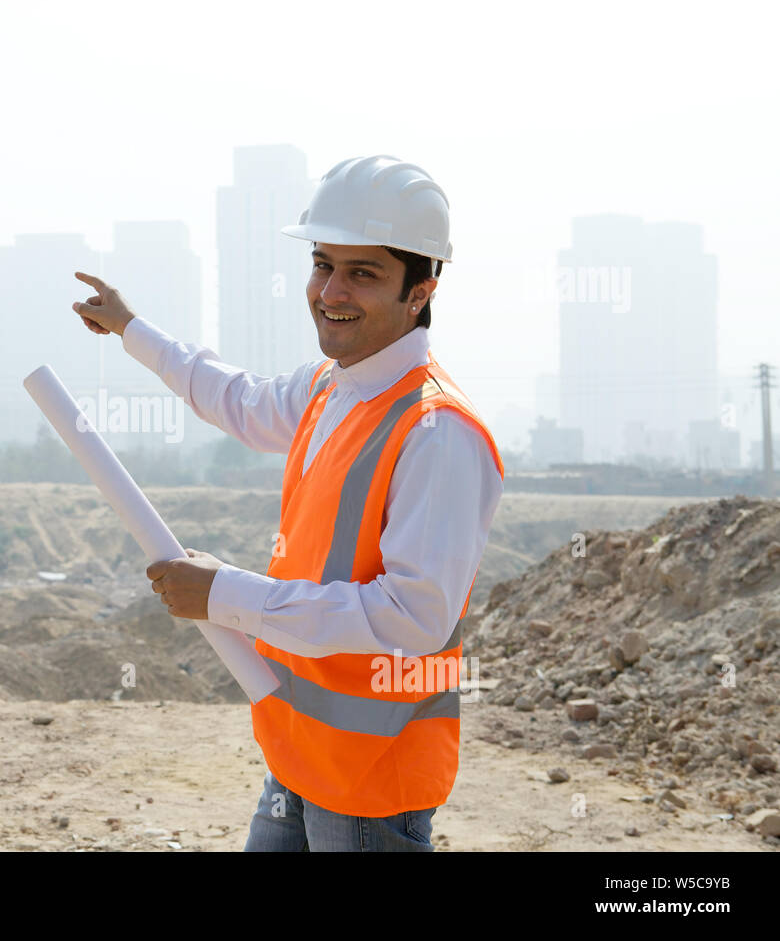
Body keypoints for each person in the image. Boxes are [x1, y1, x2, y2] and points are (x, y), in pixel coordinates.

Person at [71, 155, 504, 852]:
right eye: (322, 264)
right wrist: (131, 328)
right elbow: (235, 398)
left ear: (419, 293)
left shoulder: (438, 433)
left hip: (369, 779)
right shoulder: (330, 388)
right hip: (300, 749)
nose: (331, 291)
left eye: (363, 273)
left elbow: (414, 616)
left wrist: (225, 595)